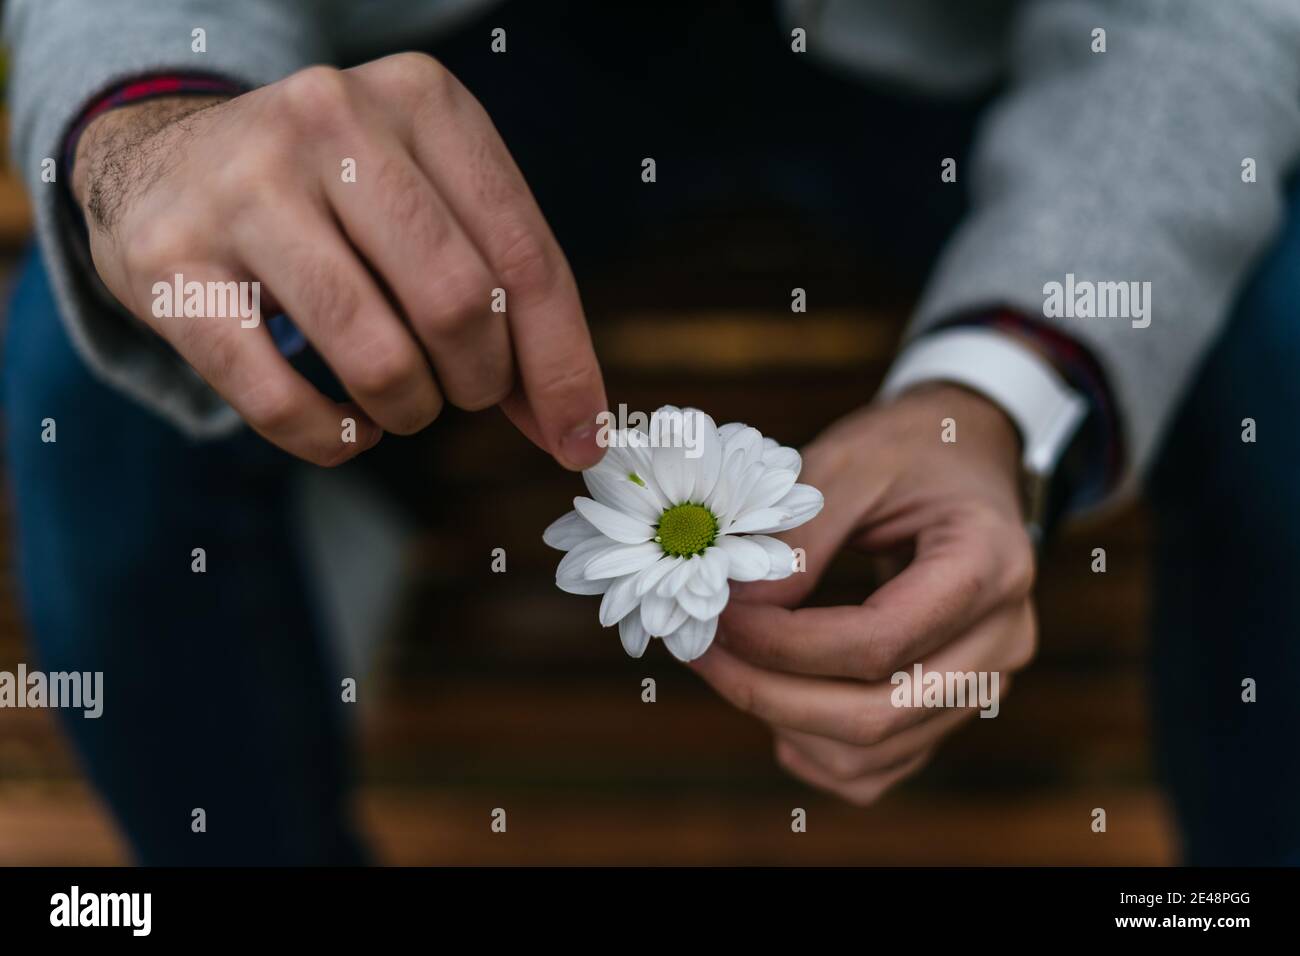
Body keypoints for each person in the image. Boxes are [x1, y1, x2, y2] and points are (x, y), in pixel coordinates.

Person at [3, 0, 1298, 865]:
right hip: (445, 47)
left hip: (940, 55)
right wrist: (156, 122)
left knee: (1285, 329)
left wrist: (1006, 389)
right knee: (87, 365)